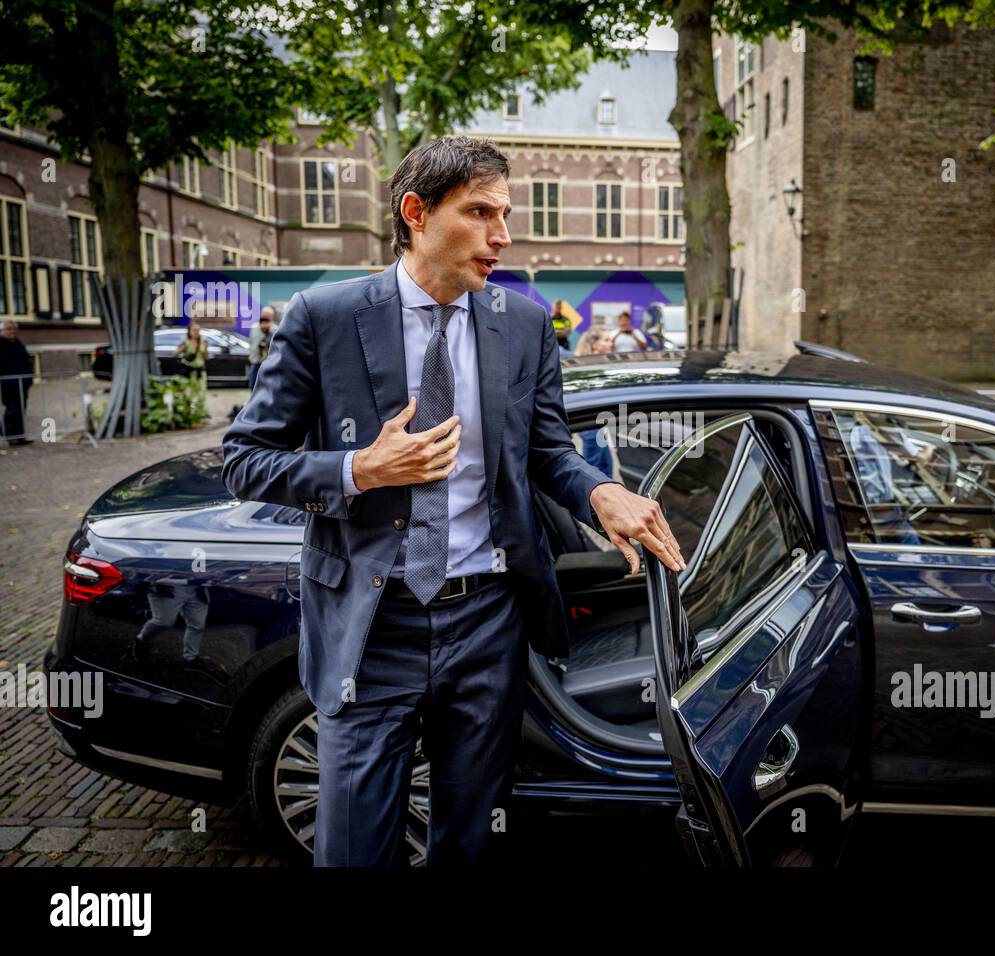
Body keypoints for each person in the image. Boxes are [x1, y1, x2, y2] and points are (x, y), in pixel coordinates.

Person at [222, 136, 683, 868]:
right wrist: (357, 469)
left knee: (472, 841)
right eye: (479, 212)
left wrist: (600, 489)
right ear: (416, 212)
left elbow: (546, 452)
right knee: (349, 849)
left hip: (486, 622)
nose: (503, 235)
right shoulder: (325, 317)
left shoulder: (525, 325)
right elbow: (245, 461)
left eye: (507, 214)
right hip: (373, 629)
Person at [572, 326, 615, 477]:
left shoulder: (598, 364)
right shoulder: (586, 366)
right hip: (590, 424)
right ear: (594, 344)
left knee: (606, 465)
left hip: (597, 423)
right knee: (593, 470)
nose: (611, 343)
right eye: (607, 340)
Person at [0, 319, 34, 445]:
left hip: (22, 383)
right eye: (9, 329)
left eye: (14, 329)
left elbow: (26, 361)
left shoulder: (18, 343)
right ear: (2, 331)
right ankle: (9, 435)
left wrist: (30, 378)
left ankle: (20, 436)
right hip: (8, 384)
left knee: (21, 409)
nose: (12, 331)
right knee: (12, 409)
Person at [247, 306, 279, 392]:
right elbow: (251, 343)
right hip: (256, 362)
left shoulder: (275, 330)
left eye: (268, 317)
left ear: (271, 318)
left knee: (268, 388)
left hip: (269, 364)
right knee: (253, 386)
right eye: (264, 316)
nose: (265, 319)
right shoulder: (254, 328)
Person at [173, 320, 209, 389]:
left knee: (200, 392)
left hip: (199, 371)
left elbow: (206, 358)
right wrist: (182, 348)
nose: (196, 332)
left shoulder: (203, 342)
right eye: (194, 330)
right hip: (188, 371)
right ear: (189, 331)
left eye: (198, 330)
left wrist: (206, 348)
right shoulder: (186, 342)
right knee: (188, 392)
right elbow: (174, 355)